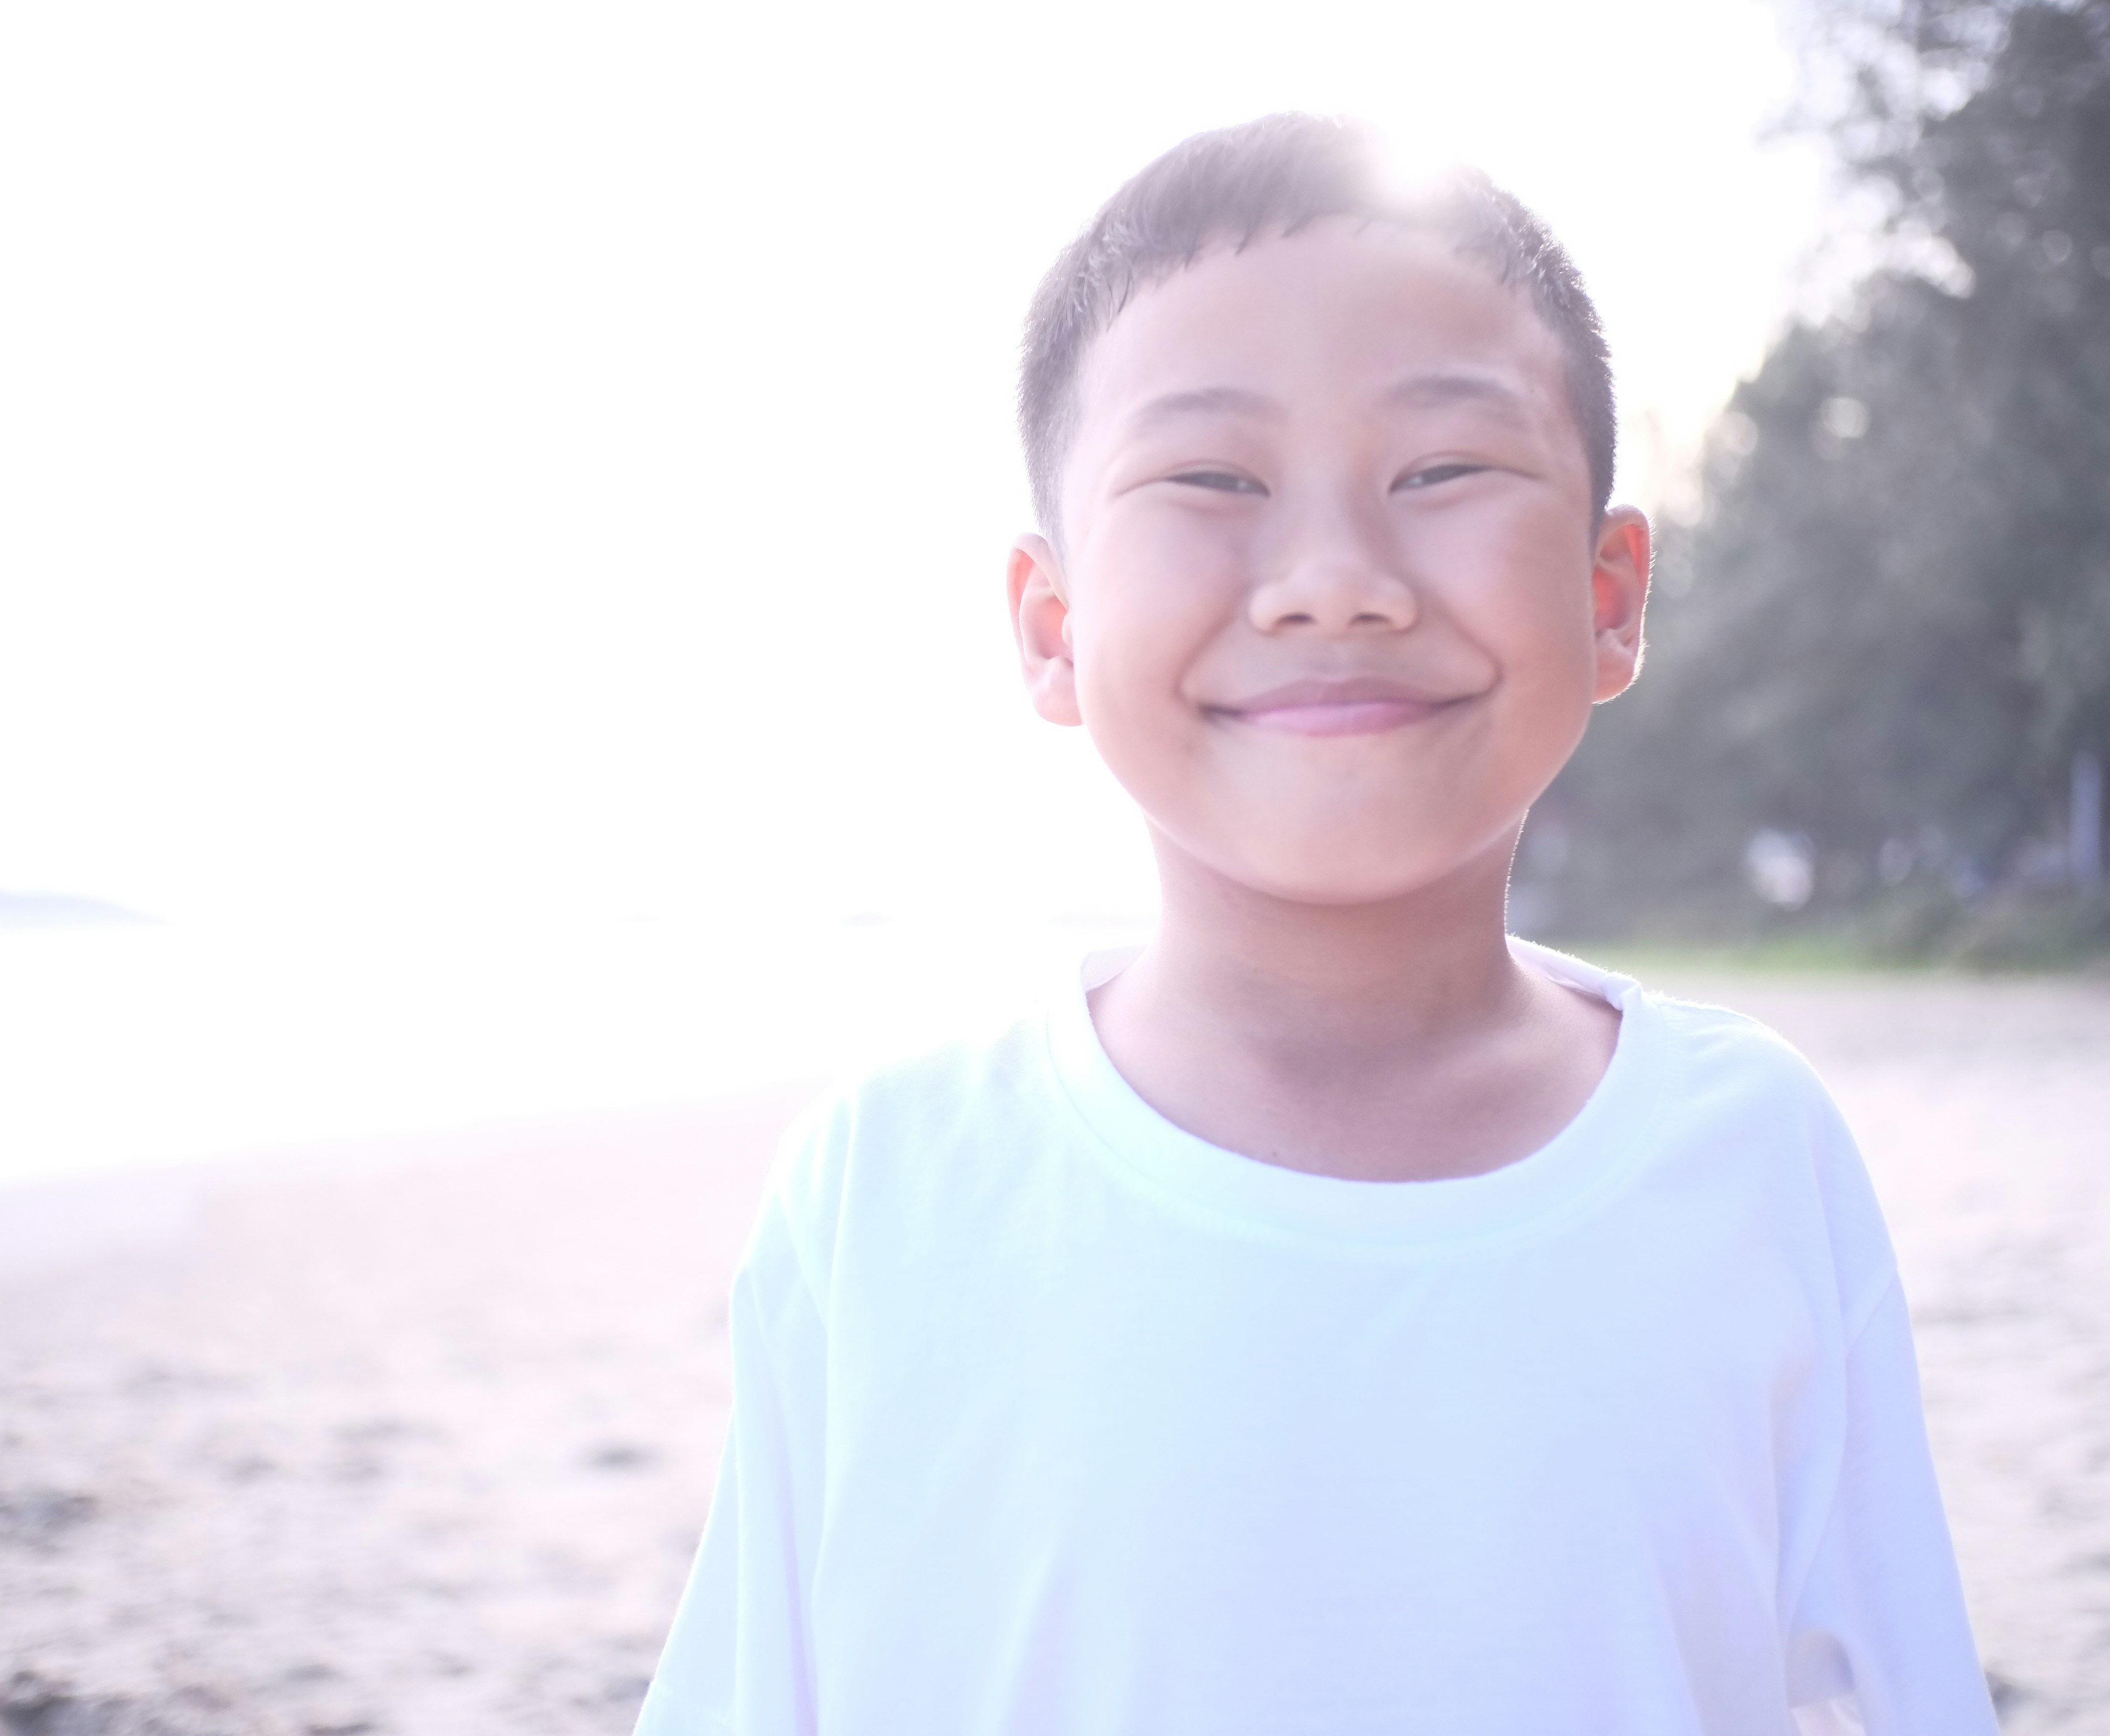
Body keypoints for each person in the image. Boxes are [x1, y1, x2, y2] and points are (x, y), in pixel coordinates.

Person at [635, 113, 1998, 1736]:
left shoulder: (1748, 1152)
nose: (1335, 580)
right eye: (1213, 480)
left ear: (1611, 594)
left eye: (1444, 472)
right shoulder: (890, 1187)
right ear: (1053, 628)